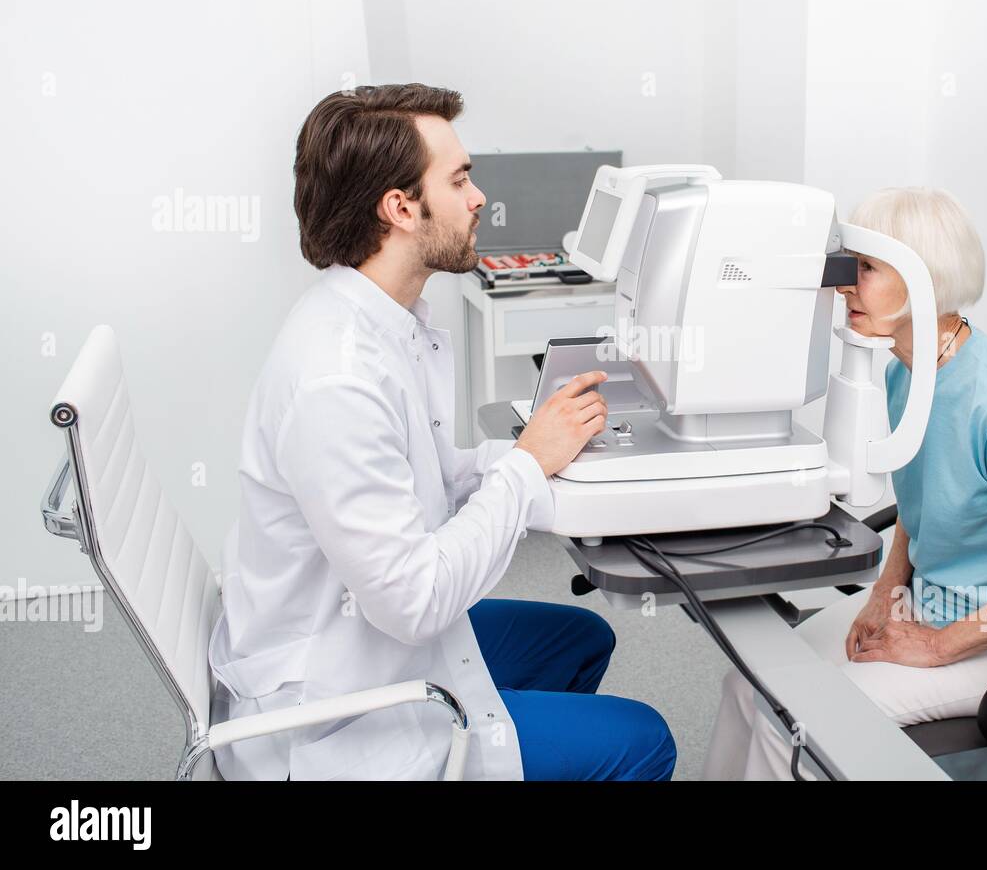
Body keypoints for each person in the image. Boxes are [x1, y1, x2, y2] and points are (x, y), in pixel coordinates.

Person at [208, 84, 675, 780]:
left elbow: (431, 479)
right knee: (644, 741)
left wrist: (542, 457)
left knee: (580, 640)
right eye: (459, 180)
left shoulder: (382, 321)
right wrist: (524, 466)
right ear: (400, 208)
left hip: (364, 634)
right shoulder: (337, 377)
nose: (480, 196)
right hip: (339, 710)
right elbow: (414, 603)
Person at [703, 187, 987, 780]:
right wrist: (886, 593)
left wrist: (935, 646)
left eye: (866, 269)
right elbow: (923, 502)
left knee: (801, 727)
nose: (845, 287)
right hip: (930, 603)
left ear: (923, 278)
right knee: (750, 684)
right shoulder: (903, 374)